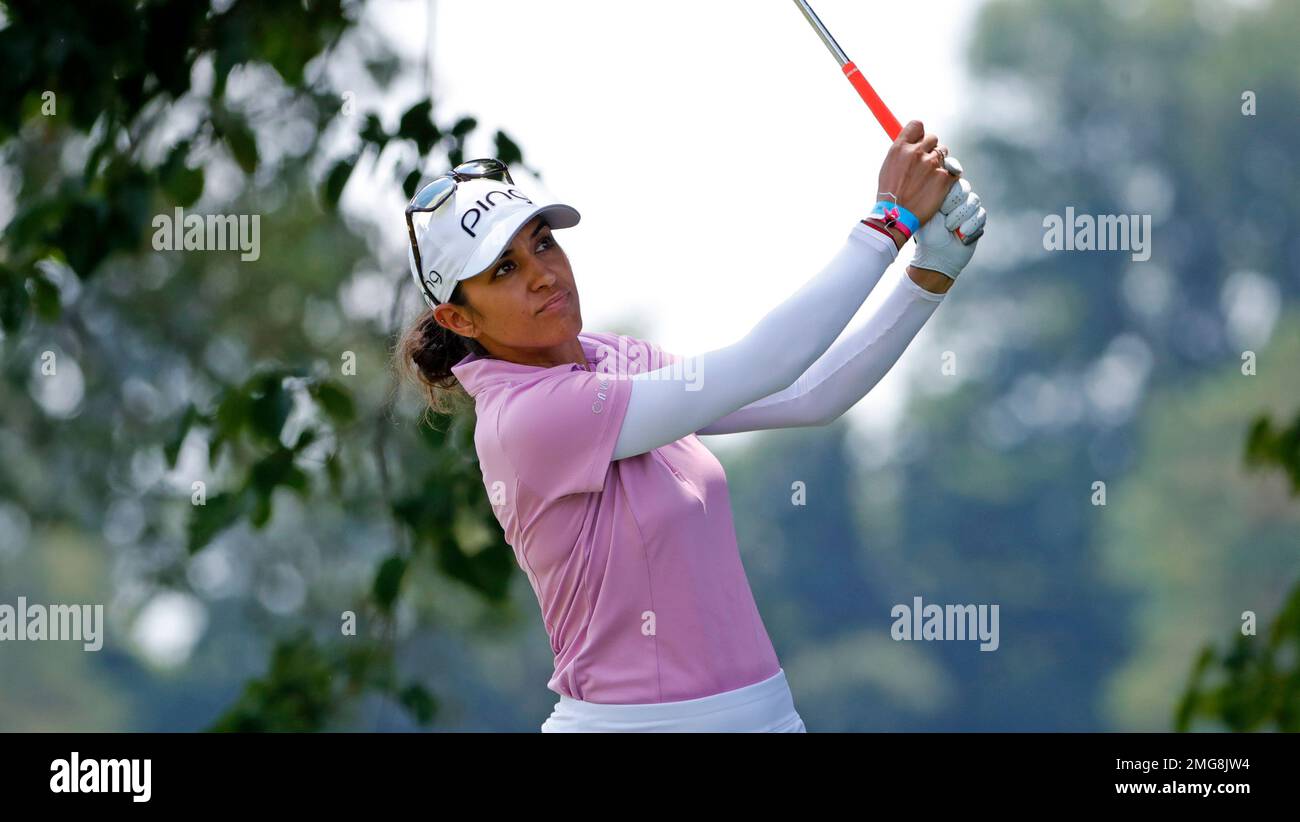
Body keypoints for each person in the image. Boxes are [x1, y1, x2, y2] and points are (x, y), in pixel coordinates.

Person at [396, 120, 987, 732]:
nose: (542, 273)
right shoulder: (523, 419)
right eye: (503, 270)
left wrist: (930, 273)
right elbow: (763, 362)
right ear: (458, 320)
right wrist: (887, 223)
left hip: (768, 716)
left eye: (542, 243)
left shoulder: (614, 360)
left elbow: (807, 393)